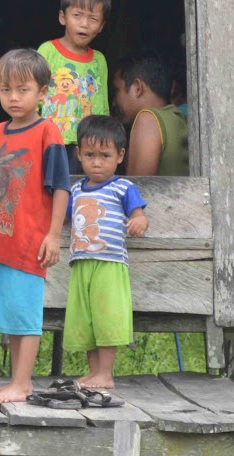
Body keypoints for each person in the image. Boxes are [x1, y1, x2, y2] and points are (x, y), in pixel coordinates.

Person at [0, 48, 71, 406]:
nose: (13, 97)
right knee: (9, 314)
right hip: (1, 241)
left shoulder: (49, 132)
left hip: (30, 241)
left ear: (43, 92)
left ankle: (23, 382)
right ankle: (18, 381)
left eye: (23, 89)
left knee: (26, 313)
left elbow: (60, 187)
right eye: (5, 90)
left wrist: (53, 235)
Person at [63, 114, 148, 389]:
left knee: (106, 316)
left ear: (120, 155)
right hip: (81, 263)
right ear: (78, 154)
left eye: (104, 155)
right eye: (89, 155)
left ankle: (106, 373)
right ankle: (94, 371)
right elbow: (61, 217)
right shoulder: (75, 190)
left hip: (110, 263)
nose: (96, 162)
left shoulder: (123, 187)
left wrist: (137, 221)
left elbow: (139, 215)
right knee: (86, 319)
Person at [38, 0, 112, 171]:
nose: (84, 24)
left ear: (102, 26)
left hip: (88, 145)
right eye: (77, 15)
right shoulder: (48, 51)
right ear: (63, 17)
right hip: (51, 142)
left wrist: (104, 141)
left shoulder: (99, 60)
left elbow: (102, 105)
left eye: (93, 19)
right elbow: (33, 96)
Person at [112, 50, 188, 177]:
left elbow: (138, 190)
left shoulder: (148, 119)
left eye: (117, 91)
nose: (114, 103)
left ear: (137, 87)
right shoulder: (180, 118)